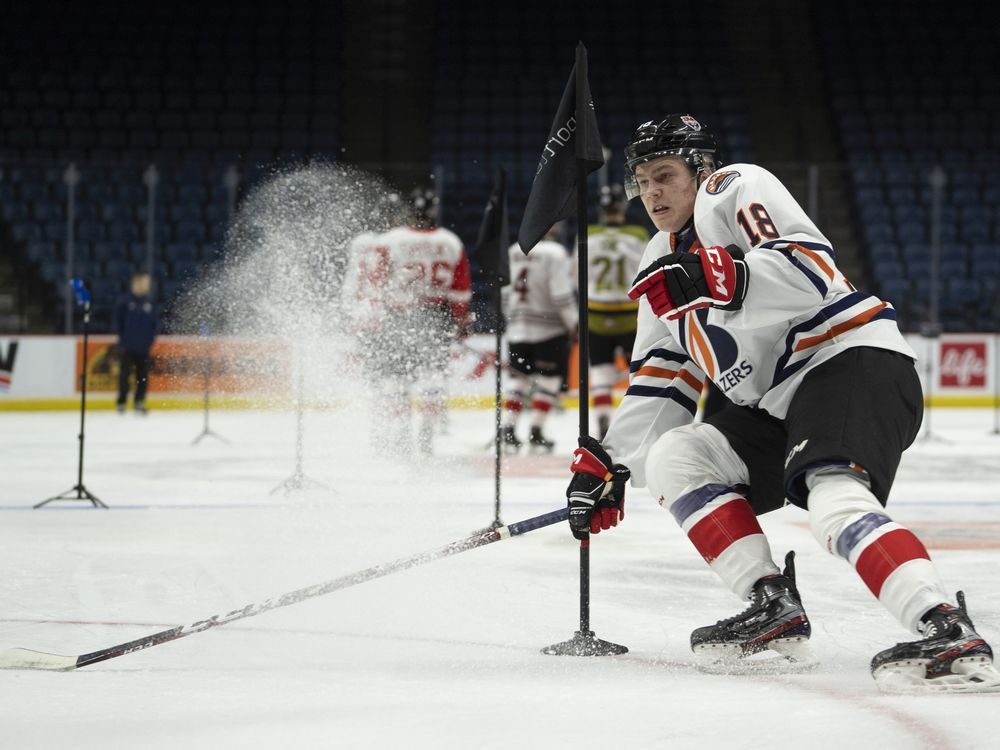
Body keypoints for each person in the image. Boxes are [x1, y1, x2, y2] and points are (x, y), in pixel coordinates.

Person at [564, 114, 999, 692]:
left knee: (834, 499)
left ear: (702, 170)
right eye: (642, 181)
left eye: (665, 175)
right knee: (676, 455)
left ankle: (948, 629)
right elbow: (664, 372)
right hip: (775, 402)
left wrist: (721, 275)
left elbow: (812, 270)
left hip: (845, 360)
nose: (652, 193)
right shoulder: (655, 259)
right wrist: (612, 463)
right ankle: (772, 608)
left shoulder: (733, 187)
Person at [342, 187, 471, 455]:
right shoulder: (451, 241)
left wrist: (372, 314)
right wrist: (461, 319)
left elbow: (374, 281)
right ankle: (426, 432)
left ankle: (401, 433)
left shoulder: (390, 240)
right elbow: (460, 289)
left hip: (398, 315)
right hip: (437, 315)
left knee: (397, 379)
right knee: (432, 378)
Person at [502, 225, 577, 453]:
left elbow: (505, 291)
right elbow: (560, 294)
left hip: (517, 326)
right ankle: (536, 432)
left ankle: (508, 429)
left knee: (518, 381)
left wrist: (511, 318)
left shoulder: (514, 250)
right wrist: (573, 323)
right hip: (548, 328)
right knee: (549, 381)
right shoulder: (555, 252)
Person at [587, 183, 649, 439]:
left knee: (601, 374)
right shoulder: (637, 234)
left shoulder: (588, 234)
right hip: (629, 315)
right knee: (640, 373)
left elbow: (575, 276)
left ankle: (603, 420)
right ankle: (640, 423)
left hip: (596, 314)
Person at [114, 271, 159, 414]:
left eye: (147, 283)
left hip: (143, 347)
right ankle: (122, 402)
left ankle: (139, 401)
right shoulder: (125, 301)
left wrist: (150, 340)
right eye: (143, 282)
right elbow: (117, 322)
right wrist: (123, 339)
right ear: (136, 283)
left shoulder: (149, 303)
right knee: (124, 376)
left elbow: (155, 324)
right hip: (127, 346)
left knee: (142, 376)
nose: (146, 285)